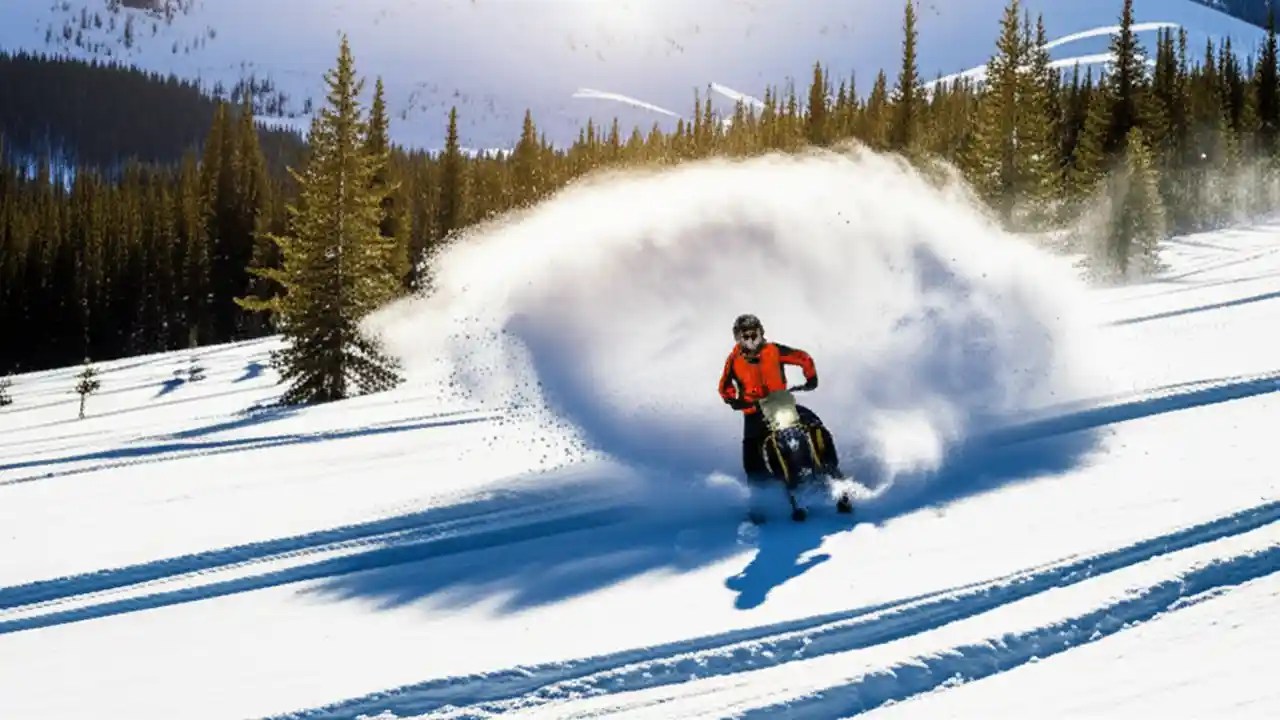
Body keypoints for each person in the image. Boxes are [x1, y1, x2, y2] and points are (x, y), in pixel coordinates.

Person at [718, 313, 840, 483]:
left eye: (755, 334)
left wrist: (811, 379)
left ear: (761, 333)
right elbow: (724, 385)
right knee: (752, 453)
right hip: (753, 410)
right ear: (738, 338)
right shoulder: (733, 361)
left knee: (814, 424)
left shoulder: (774, 351)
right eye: (746, 336)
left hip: (780, 403)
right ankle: (760, 495)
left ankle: (831, 469)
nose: (751, 340)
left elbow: (802, 357)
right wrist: (733, 400)